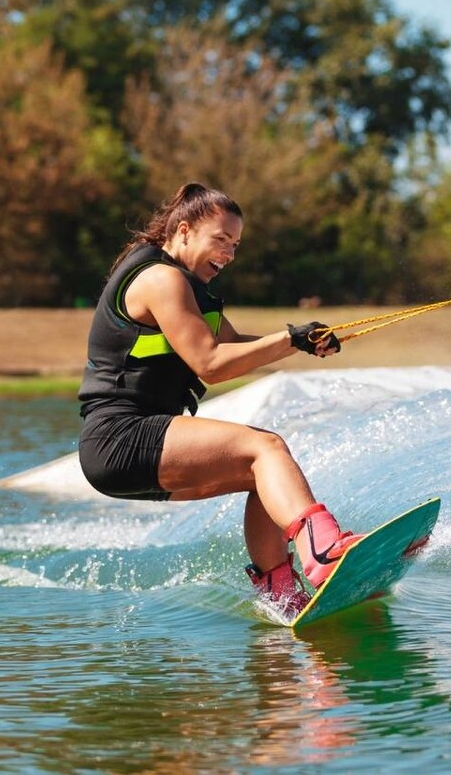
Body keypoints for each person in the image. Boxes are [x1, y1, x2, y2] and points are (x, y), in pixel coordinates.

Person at [78, 182, 362, 617]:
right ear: (185, 231)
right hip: (122, 437)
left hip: (130, 449)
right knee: (266, 447)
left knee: (262, 478)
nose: (229, 254)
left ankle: (284, 596)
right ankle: (323, 551)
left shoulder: (189, 288)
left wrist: (300, 343)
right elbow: (211, 363)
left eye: (236, 244)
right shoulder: (161, 278)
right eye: (221, 240)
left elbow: (232, 344)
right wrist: (287, 340)